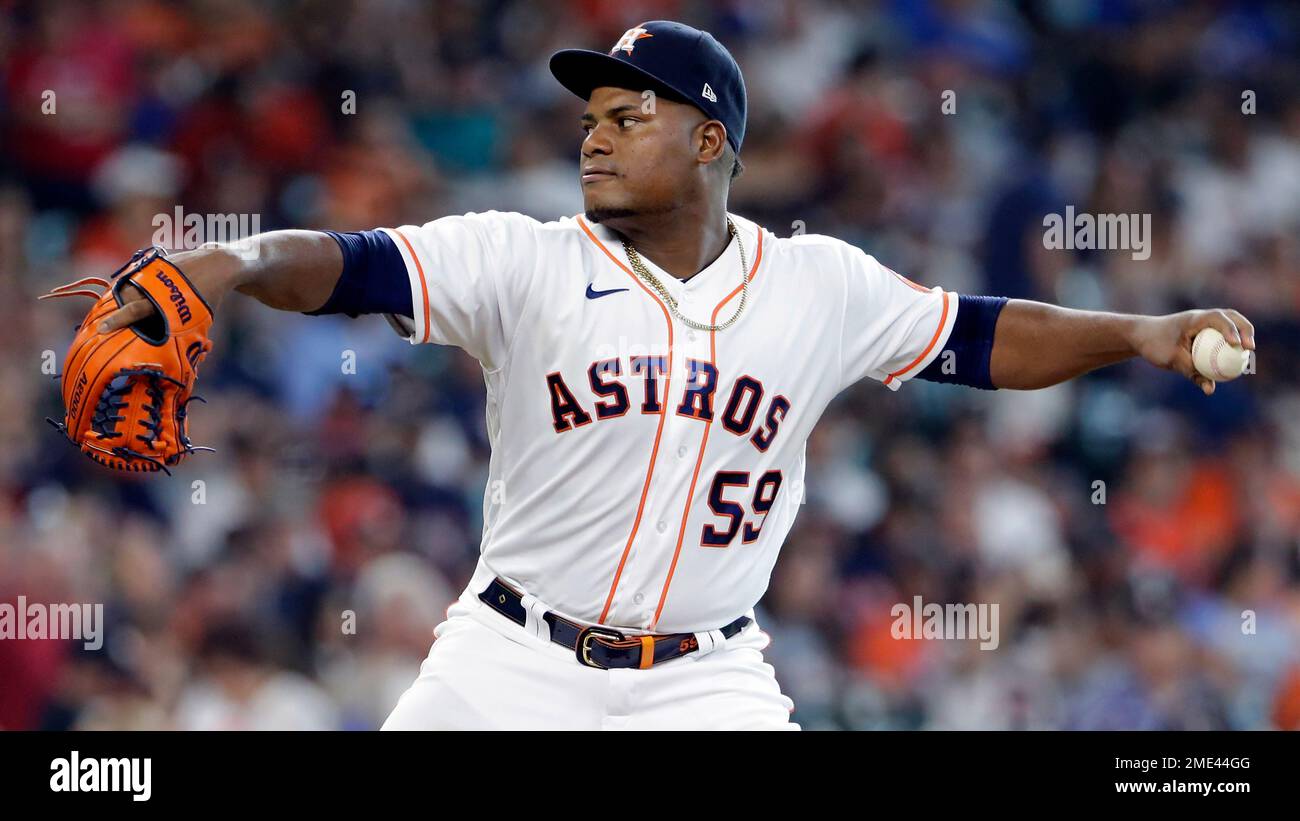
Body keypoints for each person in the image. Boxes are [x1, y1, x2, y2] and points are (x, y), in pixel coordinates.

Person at [95, 21, 1255, 730]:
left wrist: (1139, 333)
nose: (593, 136)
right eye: (589, 116)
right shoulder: (522, 257)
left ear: (710, 142)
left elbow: (982, 336)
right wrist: (230, 262)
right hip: (510, 661)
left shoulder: (817, 284)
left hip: (706, 685)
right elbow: (341, 267)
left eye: (627, 115)